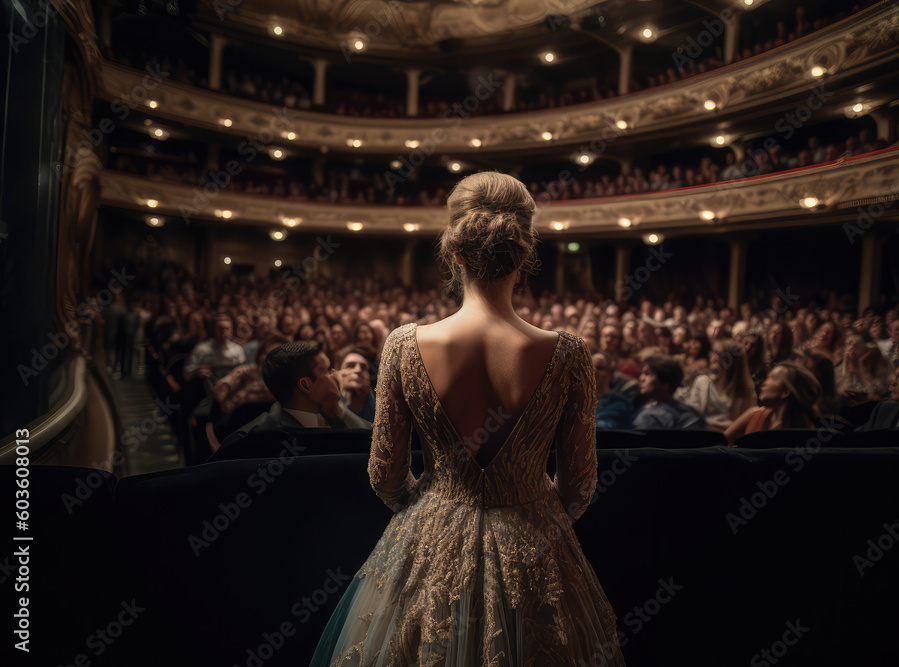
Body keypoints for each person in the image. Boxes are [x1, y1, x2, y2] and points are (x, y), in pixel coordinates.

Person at [309, 172, 625, 666]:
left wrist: (433, 508)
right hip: (535, 538)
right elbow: (579, 486)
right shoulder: (568, 354)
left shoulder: (403, 346)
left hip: (432, 531)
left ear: (454, 254)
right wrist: (535, 512)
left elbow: (385, 476)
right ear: (523, 256)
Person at [217, 341, 372, 451]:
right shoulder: (249, 441)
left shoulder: (338, 418)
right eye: (325, 371)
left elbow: (377, 442)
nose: (335, 374)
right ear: (306, 385)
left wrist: (338, 409)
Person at [725, 362, 822, 444]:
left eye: (772, 378)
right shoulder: (754, 415)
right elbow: (720, 442)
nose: (764, 383)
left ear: (786, 392)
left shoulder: (804, 432)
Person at [632, 355, 706, 429]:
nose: (641, 378)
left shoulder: (649, 417)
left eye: (647, 374)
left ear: (665, 383)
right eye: (642, 373)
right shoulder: (691, 411)